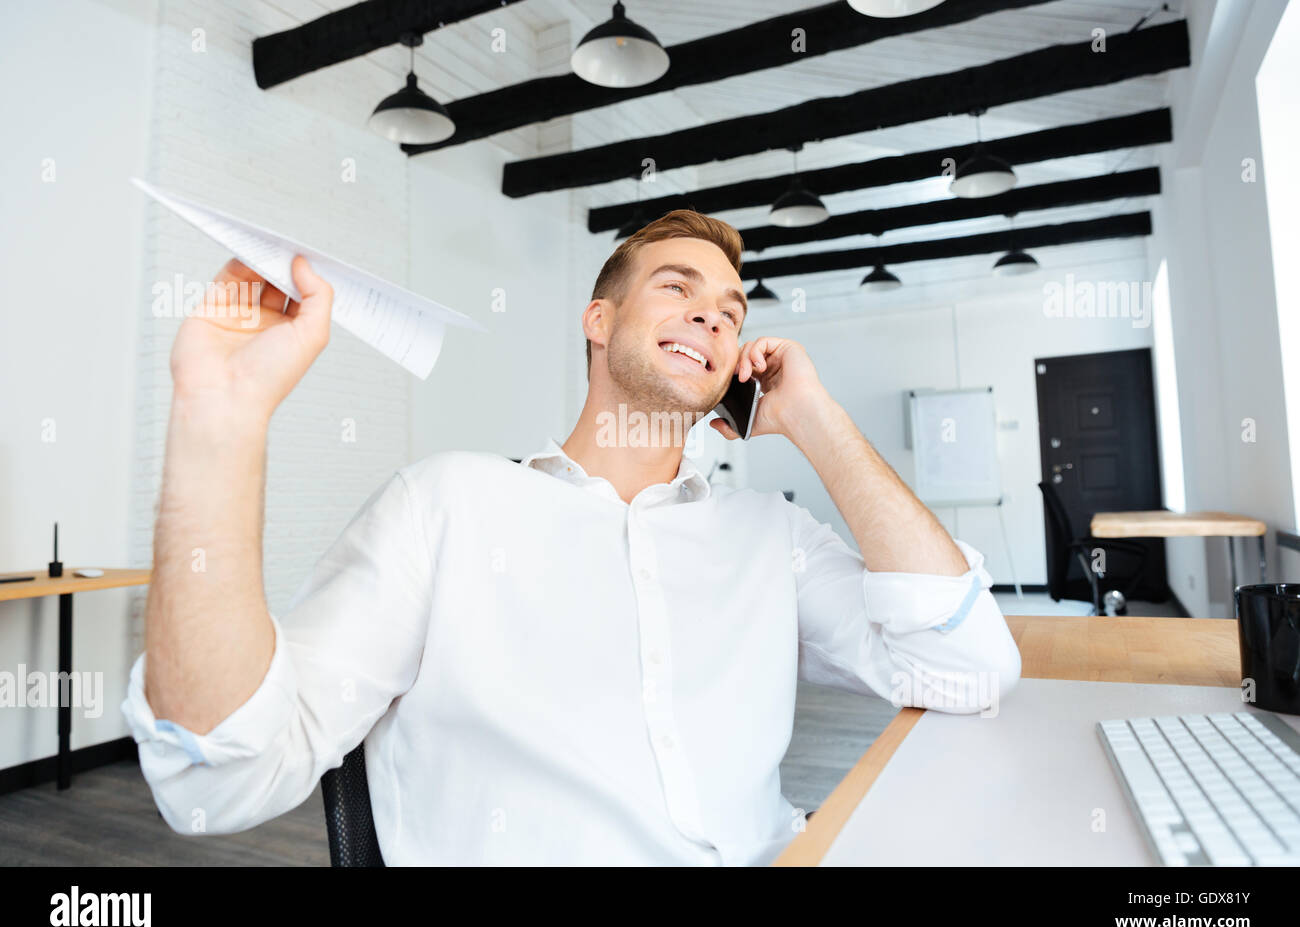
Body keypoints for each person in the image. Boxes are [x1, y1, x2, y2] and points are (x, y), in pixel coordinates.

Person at [124, 210, 1021, 866]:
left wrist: (817, 420)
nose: (714, 316)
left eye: (733, 311)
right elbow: (215, 779)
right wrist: (221, 418)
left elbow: (969, 666)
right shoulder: (449, 505)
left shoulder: (769, 536)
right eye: (678, 288)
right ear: (599, 321)